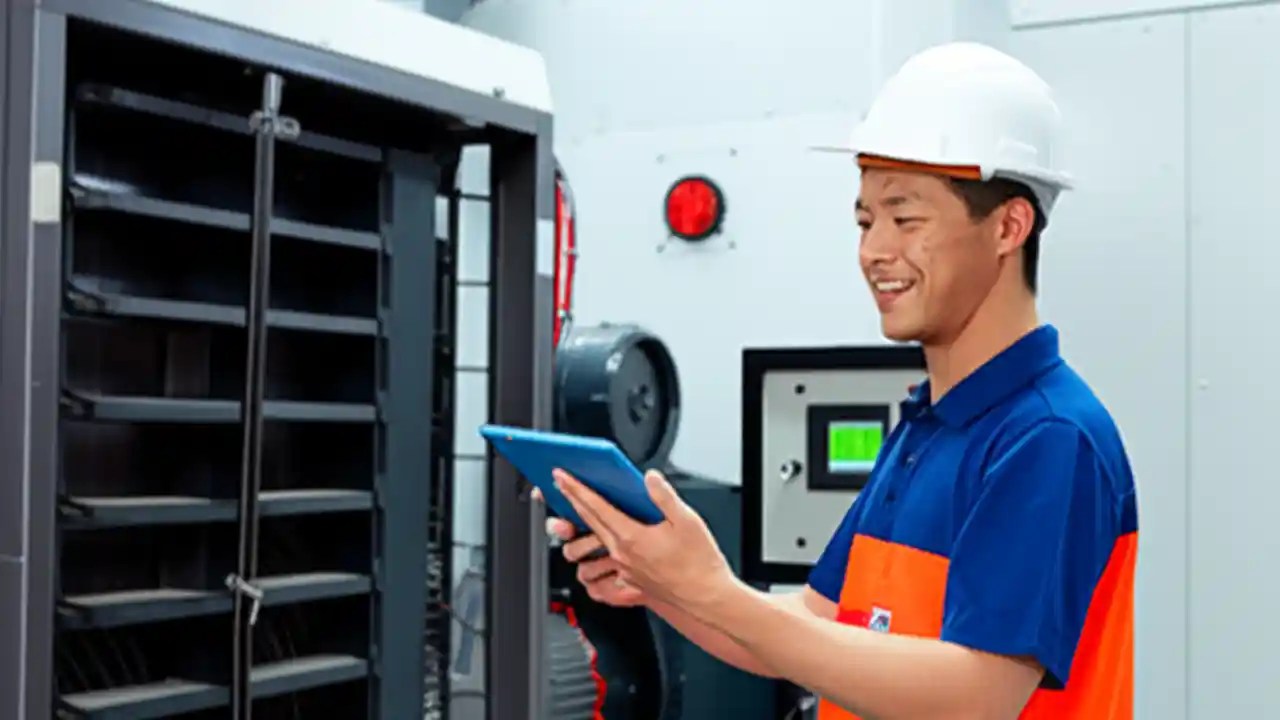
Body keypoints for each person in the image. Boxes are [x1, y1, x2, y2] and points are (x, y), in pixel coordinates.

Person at [541, 42, 1137, 720]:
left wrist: (710, 591)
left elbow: (977, 694)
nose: (874, 250)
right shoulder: (926, 427)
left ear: (1008, 225)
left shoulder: (1048, 437)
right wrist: (663, 585)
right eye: (865, 220)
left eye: (906, 218)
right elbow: (814, 627)